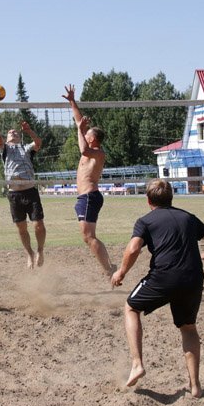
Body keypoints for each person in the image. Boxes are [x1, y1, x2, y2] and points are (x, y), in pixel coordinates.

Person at [111, 179, 204, 396]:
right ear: (172, 198)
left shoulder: (145, 221)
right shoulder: (188, 217)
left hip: (164, 277)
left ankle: (137, 364)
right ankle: (195, 386)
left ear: (148, 200)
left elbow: (134, 248)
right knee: (188, 327)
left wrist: (121, 272)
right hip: (193, 278)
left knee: (131, 308)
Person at [0, 109, 46, 269]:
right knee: (22, 228)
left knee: (39, 225)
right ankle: (29, 254)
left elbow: (38, 143)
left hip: (30, 190)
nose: (13, 132)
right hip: (15, 193)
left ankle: (40, 250)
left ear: (20, 137)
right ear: (7, 139)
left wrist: (29, 130)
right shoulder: (5, 149)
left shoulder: (26, 148)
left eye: (15, 132)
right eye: (10, 132)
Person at [62, 84, 114, 276]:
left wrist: (79, 128)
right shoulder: (89, 145)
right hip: (85, 198)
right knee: (88, 237)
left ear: (93, 139)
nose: (84, 133)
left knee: (88, 236)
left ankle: (109, 269)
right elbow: (78, 120)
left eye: (87, 133)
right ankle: (109, 267)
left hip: (90, 197)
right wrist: (72, 101)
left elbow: (83, 149)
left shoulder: (98, 153)